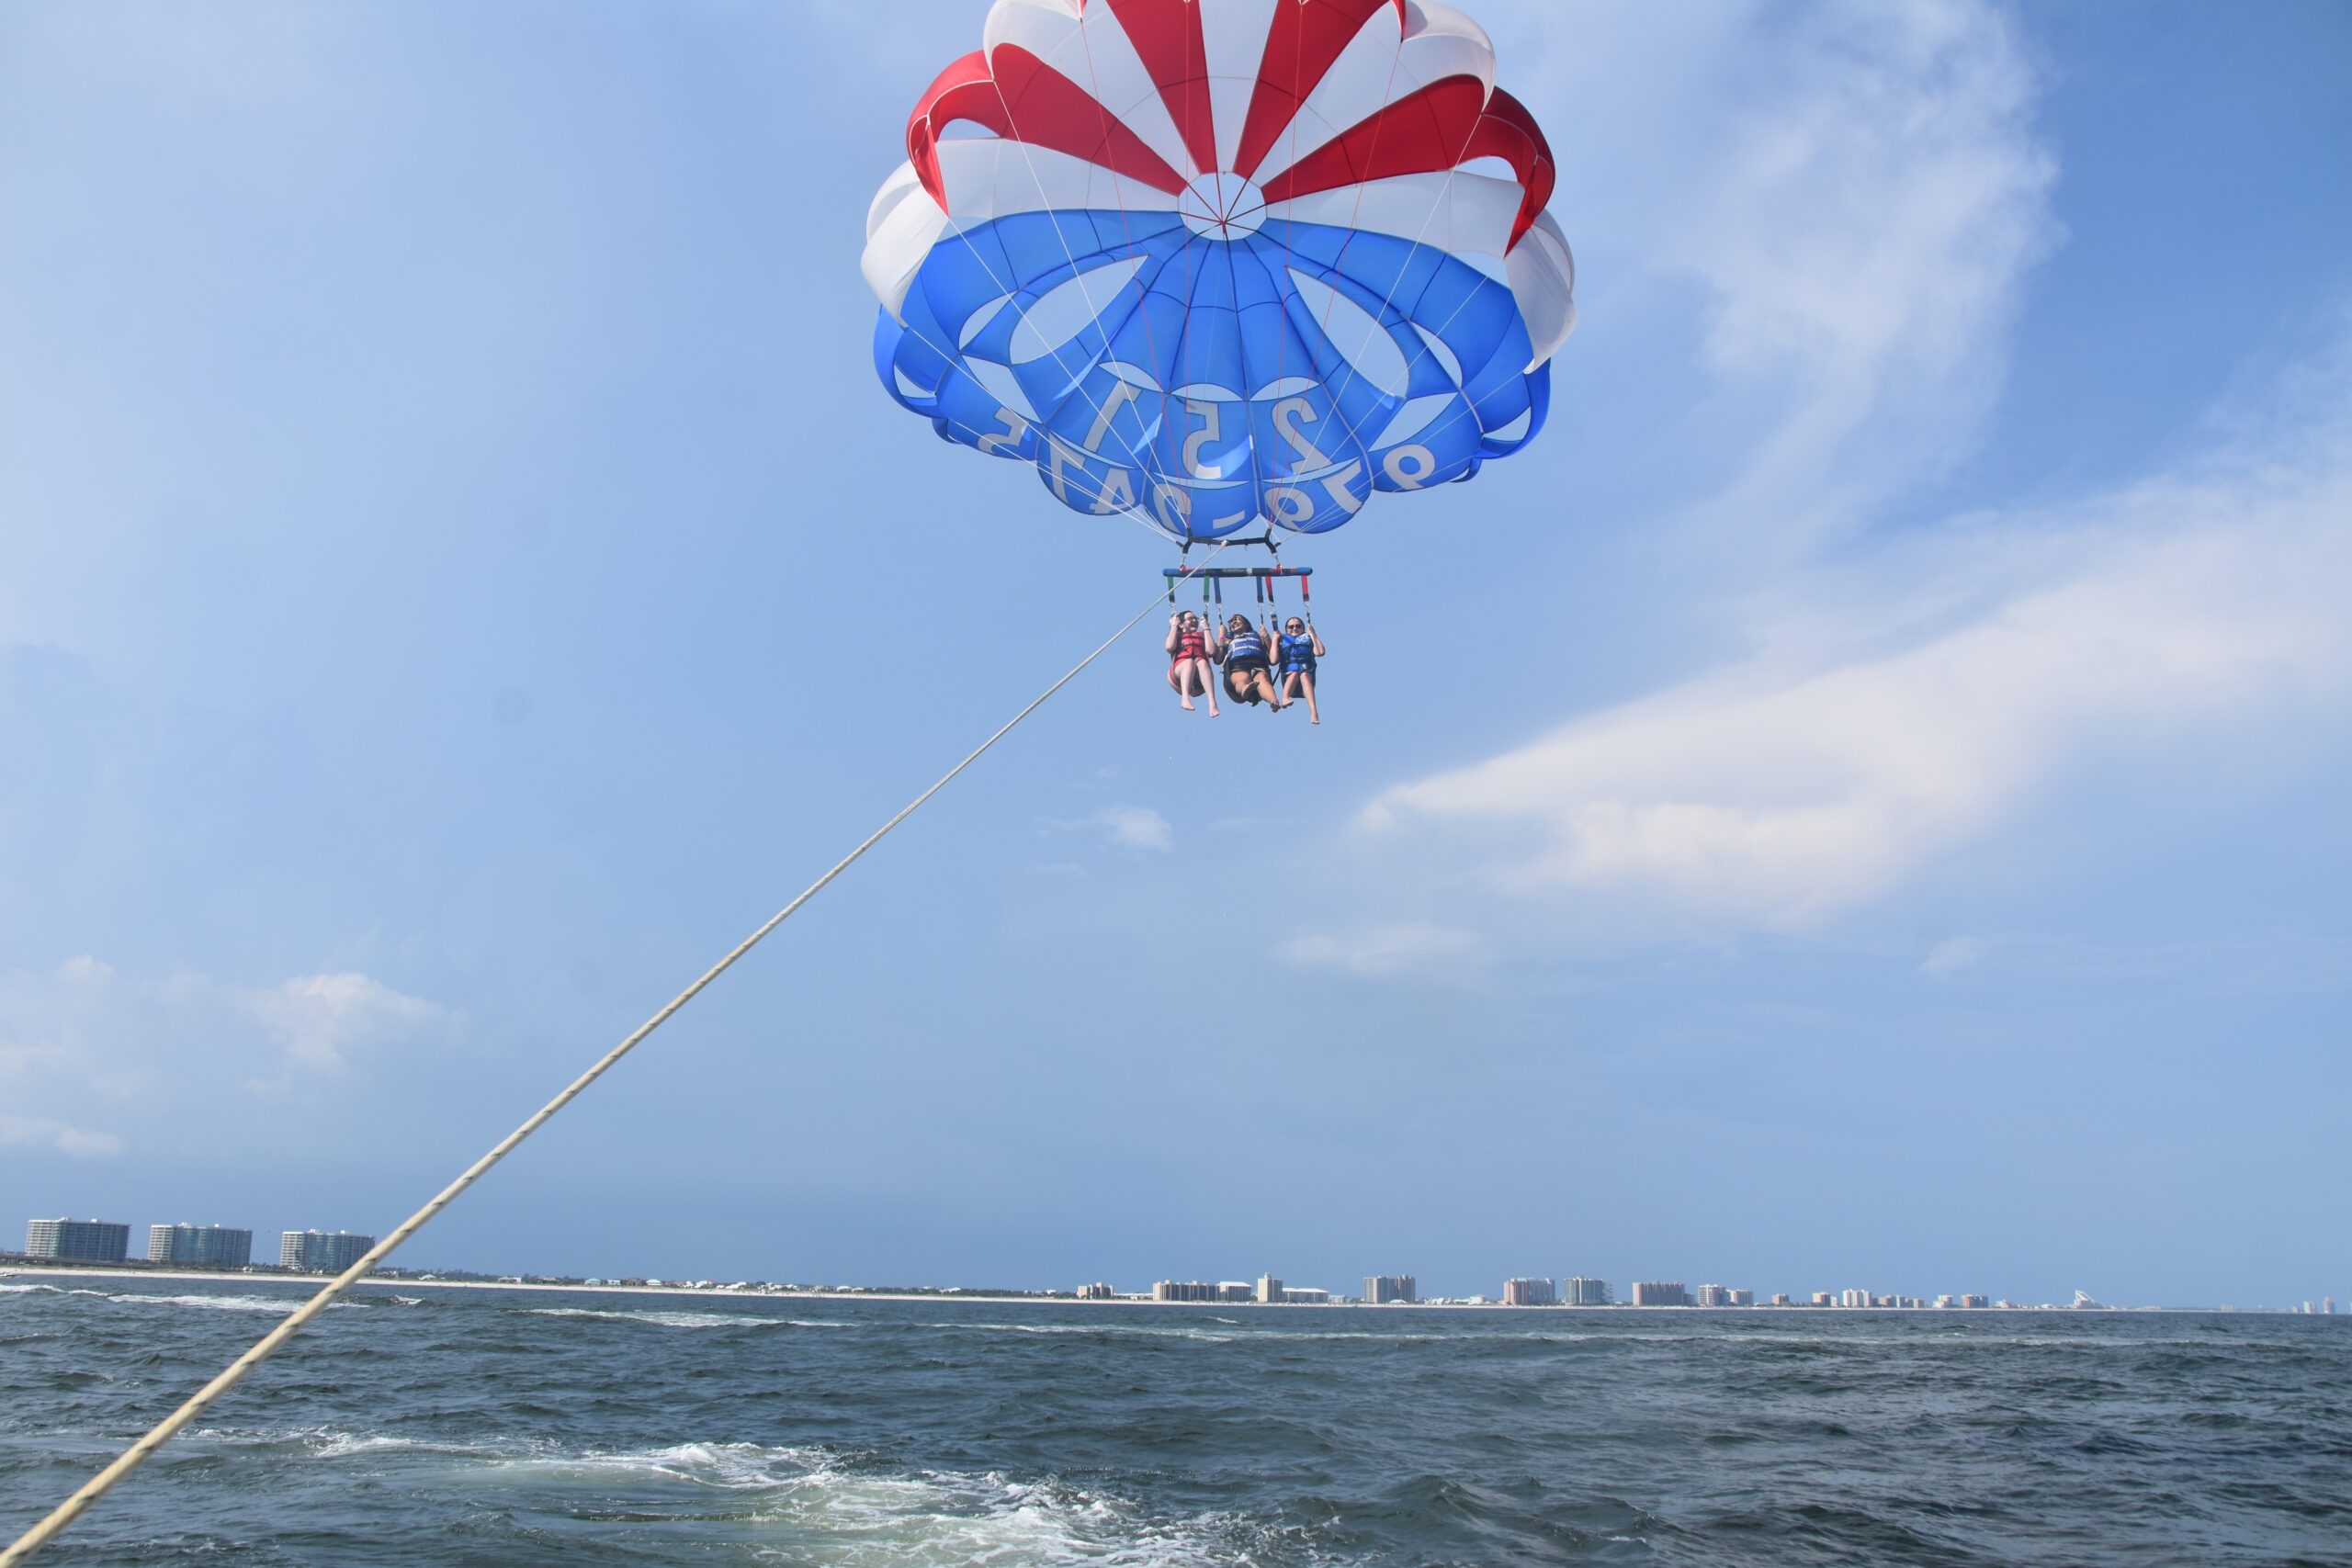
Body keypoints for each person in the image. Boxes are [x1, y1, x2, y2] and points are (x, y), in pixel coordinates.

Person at [1211, 612, 1286, 711]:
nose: (1233, 622)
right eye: (1231, 622)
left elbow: (1273, 659)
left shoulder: (1258, 636)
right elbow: (1217, 660)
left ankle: (1273, 700)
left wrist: (1266, 636)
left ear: (1246, 623)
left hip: (1258, 665)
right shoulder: (1227, 639)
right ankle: (1244, 690)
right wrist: (1221, 635)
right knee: (1242, 678)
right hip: (1237, 667)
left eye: (1237, 619)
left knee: (1262, 678)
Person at [1165, 610, 1219, 715]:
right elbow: (1169, 647)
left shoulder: (1202, 635)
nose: (1194, 620)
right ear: (1181, 624)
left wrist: (1206, 628)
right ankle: (1185, 699)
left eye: (1195, 618)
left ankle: (1213, 704)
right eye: (1190, 619)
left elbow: (1211, 651)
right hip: (1178, 676)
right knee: (1189, 661)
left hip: (1199, 681)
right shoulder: (1176, 635)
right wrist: (1174, 626)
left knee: (1202, 662)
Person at [1276, 615, 1326, 724]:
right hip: (1289, 676)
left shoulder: (1308, 638)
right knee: (1294, 672)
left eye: (1298, 626)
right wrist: (1275, 639)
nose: (1294, 628)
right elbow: (1273, 660)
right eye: (1291, 627)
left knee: (1304, 674)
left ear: (1303, 629)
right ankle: (1285, 698)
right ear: (1286, 630)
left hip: (1306, 675)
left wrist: (1313, 634)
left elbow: (1320, 652)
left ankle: (1314, 713)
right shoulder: (1281, 640)